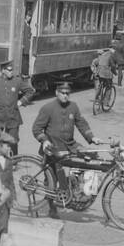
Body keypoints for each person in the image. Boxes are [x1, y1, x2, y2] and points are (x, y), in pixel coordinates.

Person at [32, 81, 101, 212]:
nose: (65, 96)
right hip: (52, 147)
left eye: (67, 93)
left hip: (70, 145)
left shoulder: (73, 107)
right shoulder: (48, 108)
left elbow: (81, 123)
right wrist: (44, 140)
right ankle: (51, 207)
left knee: (89, 159)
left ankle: (77, 192)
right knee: (52, 178)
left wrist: (92, 137)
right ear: (56, 93)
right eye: (62, 93)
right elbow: (36, 129)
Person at [0, 58, 34, 154]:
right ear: (3, 71)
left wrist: (21, 101)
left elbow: (30, 91)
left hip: (13, 116)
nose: (11, 72)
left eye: (12, 70)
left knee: (13, 141)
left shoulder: (17, 81)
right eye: (9, 70)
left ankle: (14, 162)